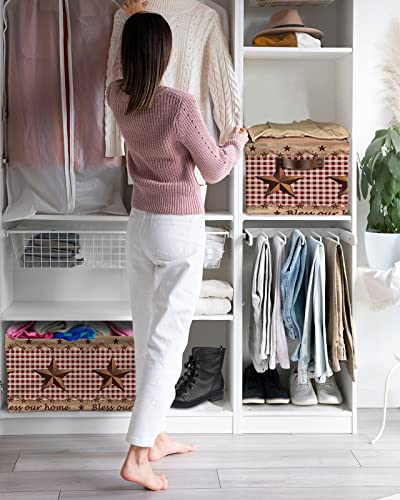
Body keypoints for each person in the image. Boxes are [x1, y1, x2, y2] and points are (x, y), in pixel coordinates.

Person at [107, 0, 248, 491]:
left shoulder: (116, 95)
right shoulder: (181, 105)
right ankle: (137, 455)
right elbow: (213, 168)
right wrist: (238, 141)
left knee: (149, 330)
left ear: (127, 55)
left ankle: (158, 433)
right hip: (178, 224)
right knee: (169, 342)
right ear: (165, 55)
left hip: (140, 220)